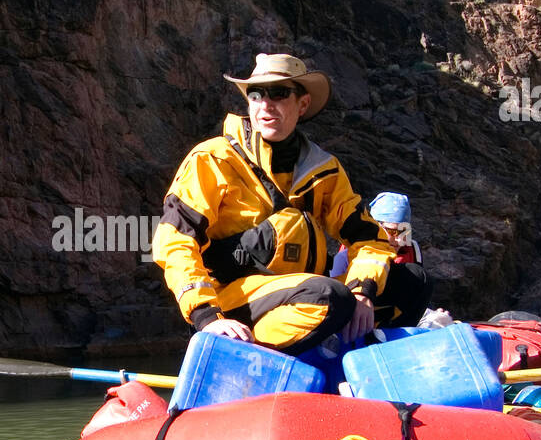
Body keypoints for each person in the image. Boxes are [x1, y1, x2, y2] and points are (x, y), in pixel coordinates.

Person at [152, 53, 421, 354]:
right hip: (231, 302)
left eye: (279, 93)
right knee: (329, 296)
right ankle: (258, 350)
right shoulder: (212, 159)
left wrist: (363, 291)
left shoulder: (324, 170)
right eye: (256, 94)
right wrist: (205, 315)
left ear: (302, 104)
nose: (265, 105)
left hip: (302, 295)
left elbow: (369, 239)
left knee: (412, 282)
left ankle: (356, 362)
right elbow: (176, 242)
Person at [331, 191, 431, 327]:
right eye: (392, 232)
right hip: (356, 321)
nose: (398, 240)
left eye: (404, 232)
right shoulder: (345, 257)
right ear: (376, 228)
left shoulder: (412, 254)